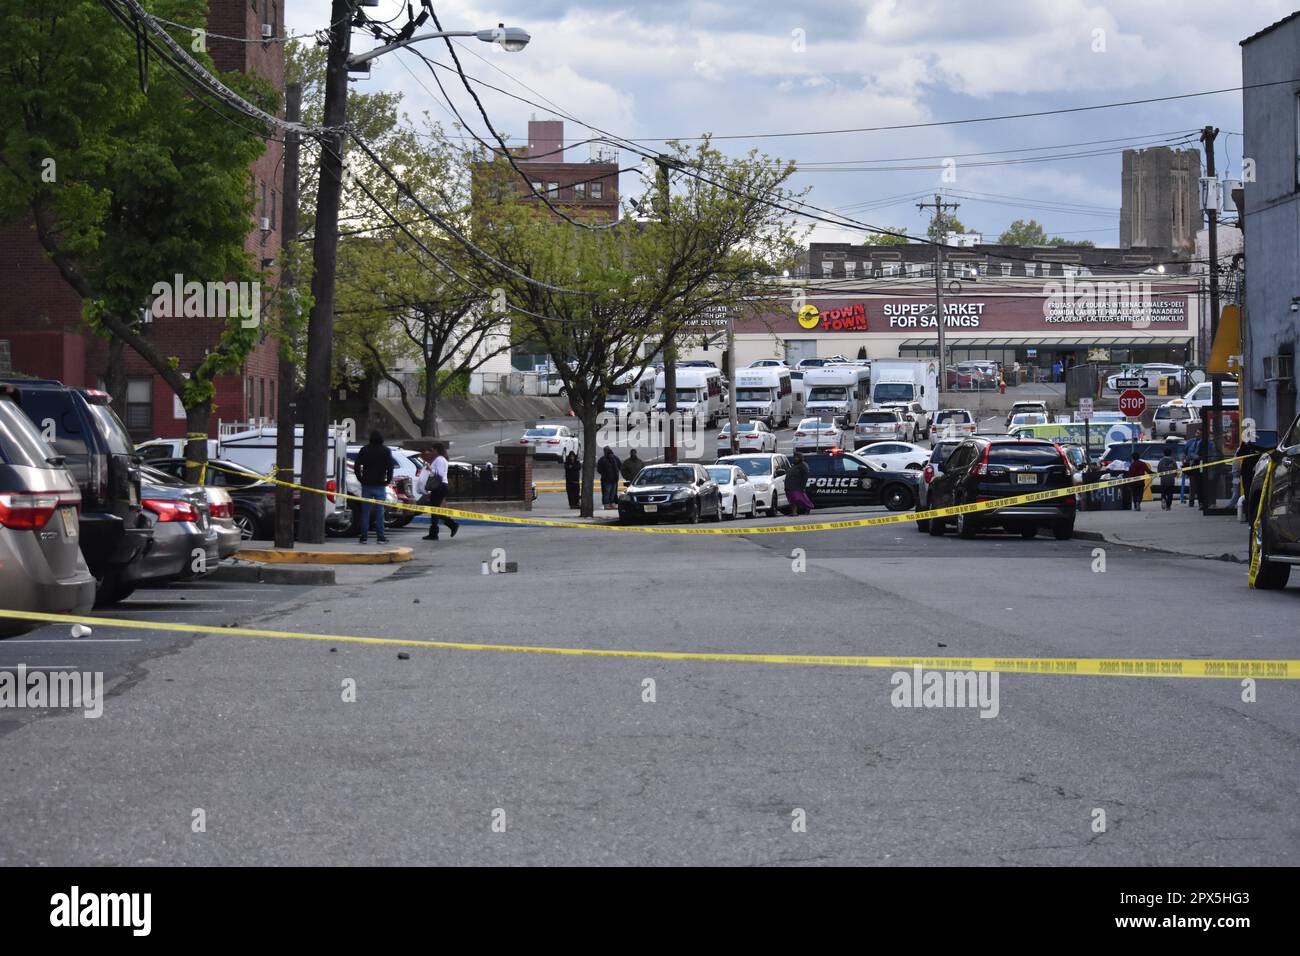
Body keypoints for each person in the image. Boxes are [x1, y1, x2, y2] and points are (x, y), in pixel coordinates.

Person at [354, 430, 394, 544]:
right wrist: (387, 480)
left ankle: (364, 537)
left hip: (366, 484)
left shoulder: (364, 449)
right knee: (380, 512)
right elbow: (390, 467)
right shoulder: (386, 451)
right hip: (380, 484)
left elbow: (357, 466)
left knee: (365, 511)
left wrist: (360, 478)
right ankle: (380, 537)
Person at [415, 442, 459, 540]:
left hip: (439, 486)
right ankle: (447, 526)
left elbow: (439, 474)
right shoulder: (441, 459)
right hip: (441, 486)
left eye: (433, 450)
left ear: (437, 450)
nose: (432, 452)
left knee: (434, 509)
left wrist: (429, 468)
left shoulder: (439, 459)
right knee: (435, 509)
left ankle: (446, 527)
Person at [1156, 446, 1178, 511]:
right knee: (1170, 494)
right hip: (1171, 480)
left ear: (1164, 453)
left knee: (1163, 492)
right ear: (1171, 453)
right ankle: (1168, 506)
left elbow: (1159, 470)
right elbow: (1176, 470)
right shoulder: (1173, 461)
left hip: (1163, 480)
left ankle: (1163, 499)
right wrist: (1174, 475)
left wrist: (1160, 475)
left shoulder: (1161, 461)